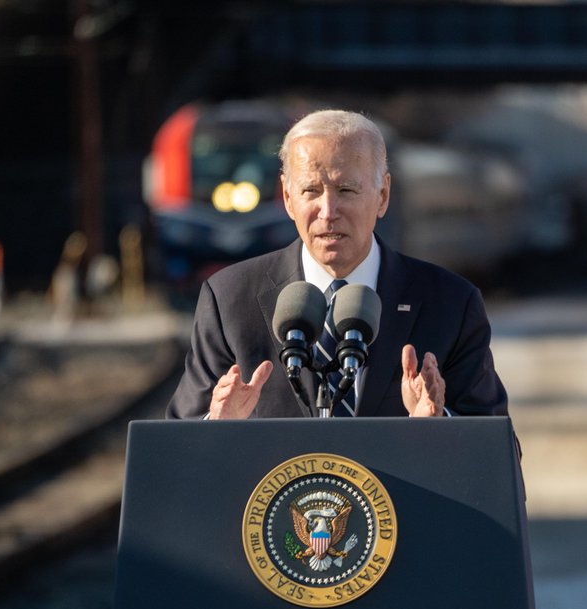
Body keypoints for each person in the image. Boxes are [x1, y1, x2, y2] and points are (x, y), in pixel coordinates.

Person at [166, 109, 508, 420]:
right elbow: (174, 457)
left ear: (383, 196)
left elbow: (500, 460)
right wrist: (215, 428)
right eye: (311, 191)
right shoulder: (228, 300)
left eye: (346, 190)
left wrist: (439, 428)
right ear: (287, 198)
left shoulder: (450, 304)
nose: (328, 212)